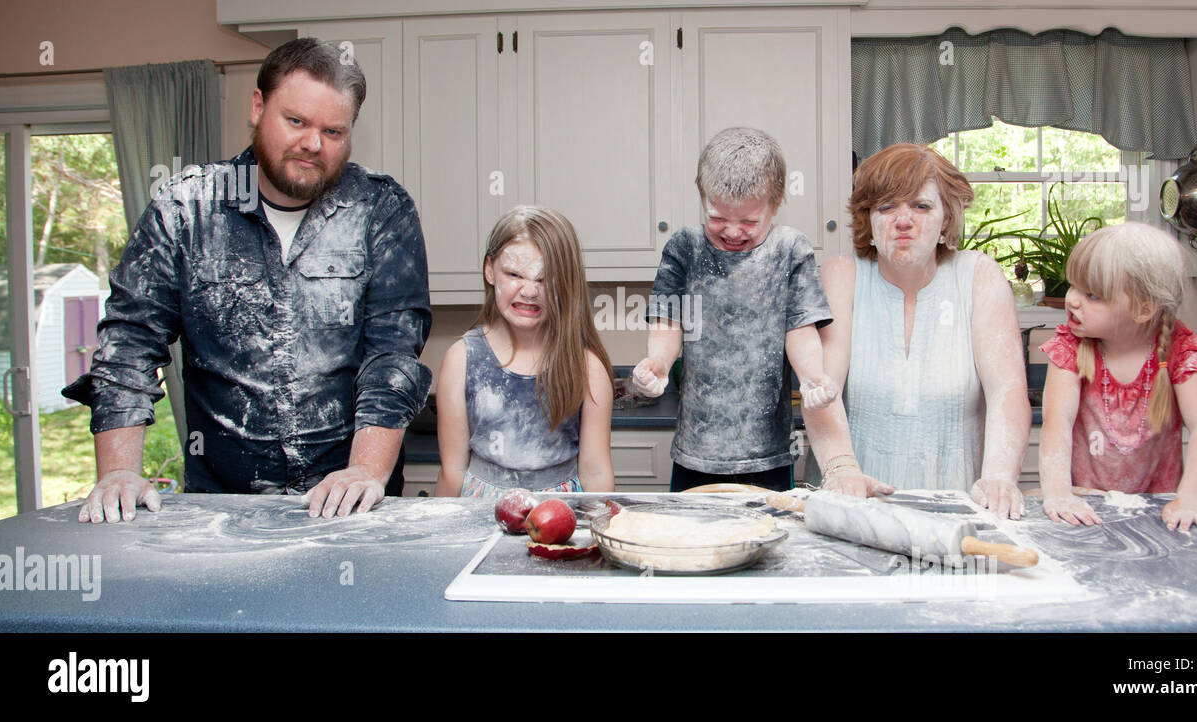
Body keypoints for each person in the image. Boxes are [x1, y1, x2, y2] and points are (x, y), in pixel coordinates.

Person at [63, 38, 433, 522]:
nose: (313, 143)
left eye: (334, 131)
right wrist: (117, 472)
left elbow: (391, 356)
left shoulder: (381, 210)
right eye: (296, 121)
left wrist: (365, 470)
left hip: (352, 505)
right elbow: (130, 344)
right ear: (258, 106)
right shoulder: (185, 208)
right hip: (220, 510)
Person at [804, 143, 1030, 518]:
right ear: (868, 219)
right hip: (854, 506)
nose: (903, 220)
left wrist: (999, 476)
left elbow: (1007, 391)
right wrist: (841, 468)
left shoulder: (979, 276)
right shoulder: (842, 275)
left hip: (954, 511)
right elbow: (821, 387)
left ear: (945, 219)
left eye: (921, 206)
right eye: (886, 207)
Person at [631, 127, 844, 492]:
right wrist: (658, 363)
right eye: (718, 217)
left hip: (770, 454)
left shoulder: (790, 250)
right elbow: (668, 321)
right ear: (702, 195)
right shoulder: (685, 247)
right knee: (689, 546)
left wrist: (811, 375)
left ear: (775, 206)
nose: (732, 231)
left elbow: (800, 329)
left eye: (748, 222)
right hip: (695, 453)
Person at [1038, 222, 1197, 532]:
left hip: (1160, 513)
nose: (1072, 300)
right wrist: (1058, 494)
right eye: (1073, 286)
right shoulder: (1070, 347)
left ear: (1143, 309)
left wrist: (1191, 500)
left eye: (1093, 295)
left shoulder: (1181, 350)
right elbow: (1057, 423)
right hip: (1086, 509)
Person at [435, 206, 614, 498]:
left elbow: (595, 472)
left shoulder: (587, 367)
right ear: (489, 270)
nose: (529, 291)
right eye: (514, 274)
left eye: (545, 279)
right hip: (480, 514)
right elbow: (452, 471)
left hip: (561, 513)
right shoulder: (462, 359)